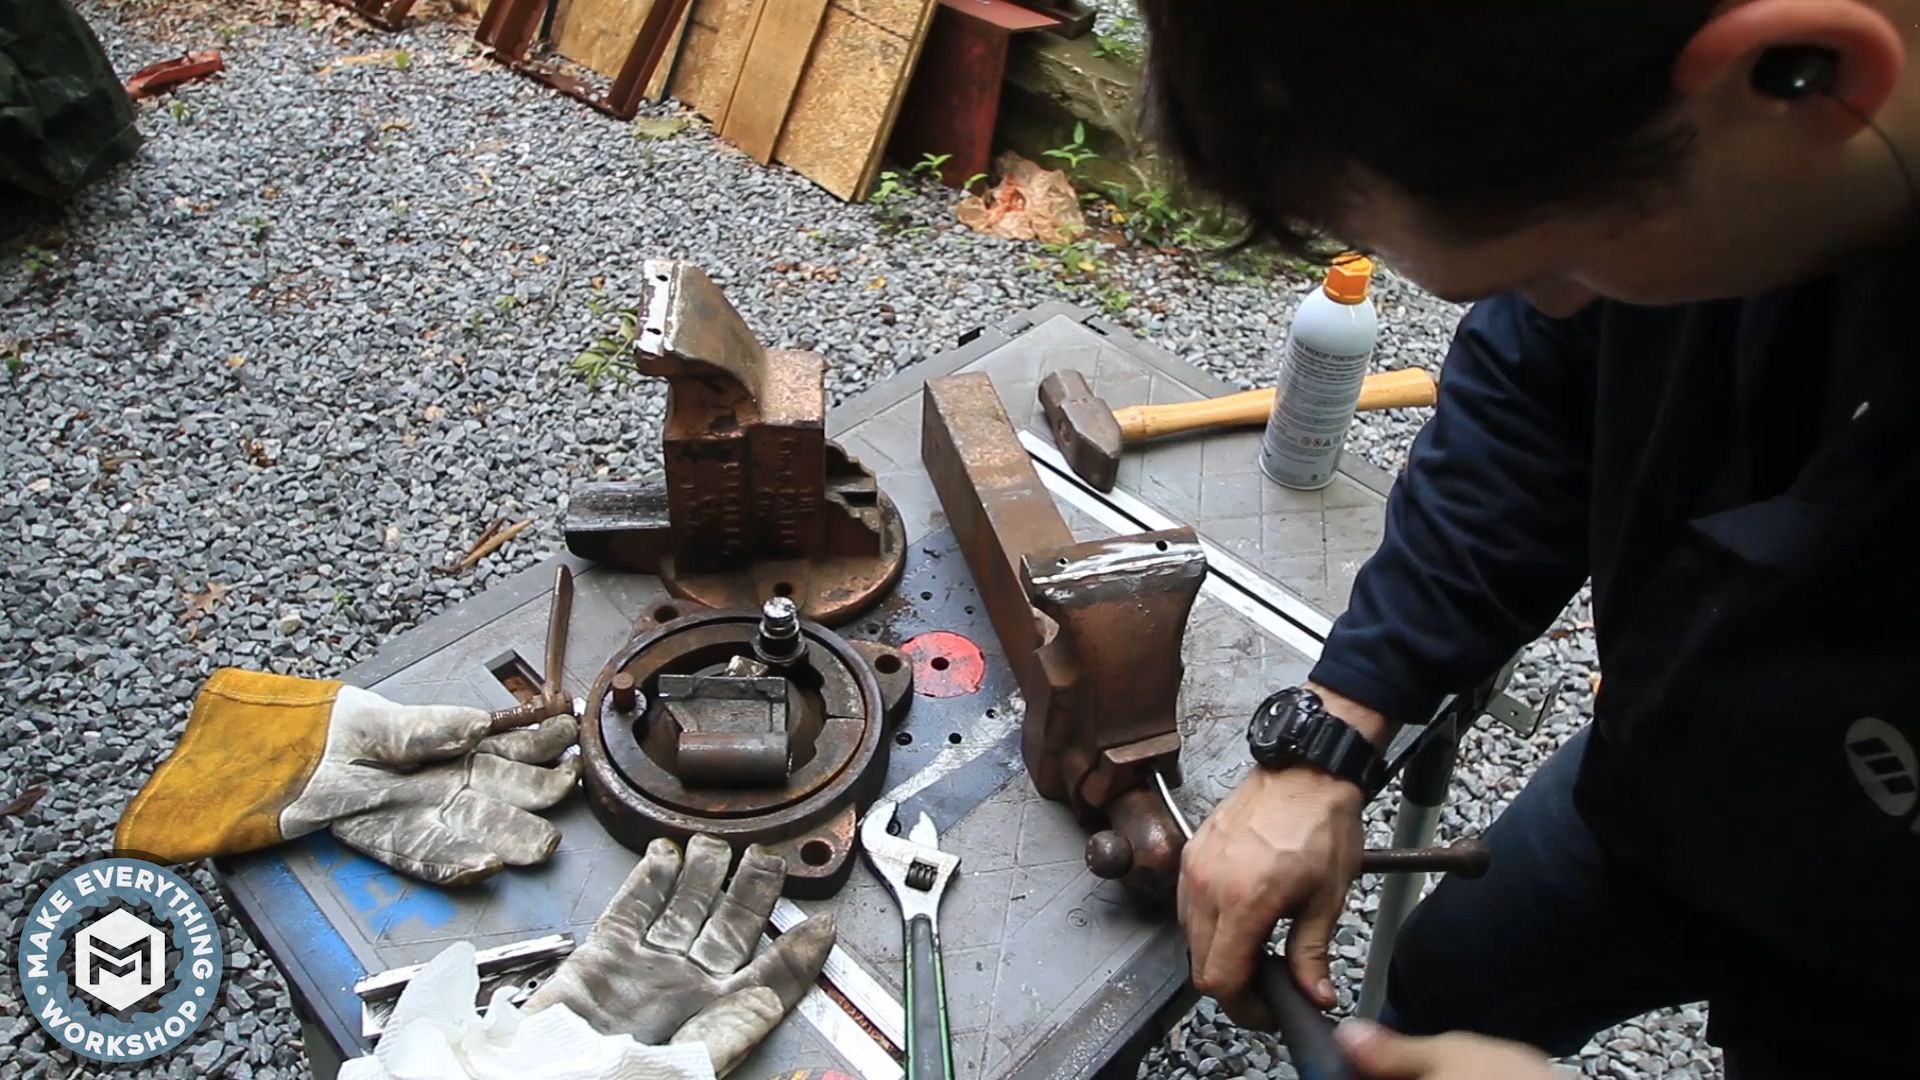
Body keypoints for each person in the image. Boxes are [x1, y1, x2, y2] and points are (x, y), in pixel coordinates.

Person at [1138, 2, 1920, 1077]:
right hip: (1663, 770)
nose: (1553, 307)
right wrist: (1335, 730)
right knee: (1454, 979)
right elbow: (1540, 393)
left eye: (1563, 265)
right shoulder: (1669, 118)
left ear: (1802, 74)